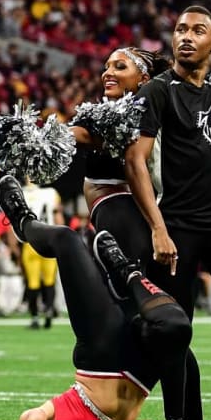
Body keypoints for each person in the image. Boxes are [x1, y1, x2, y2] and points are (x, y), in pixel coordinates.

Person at [0, 175, 191, 420]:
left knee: (67, 240)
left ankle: (24, 223)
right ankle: (126, 274)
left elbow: (35, 418)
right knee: (177, 329)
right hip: (140, 374)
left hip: (101, 357)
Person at [124, 6, 211, 420]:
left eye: (198, 30)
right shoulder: (158, 90)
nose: (186, 36)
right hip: (178, 230)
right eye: (181, 30)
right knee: (172, 332)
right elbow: (135, 161)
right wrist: (158, 228)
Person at [70, 47, 166, 264]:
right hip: (113, 206)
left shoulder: (163, 112)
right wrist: (43, 138)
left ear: (144, 79)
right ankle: (32, 226)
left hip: (157, 210)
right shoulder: (99, 118)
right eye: (106, 67)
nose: (107, 73)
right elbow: (78, 134)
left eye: (119, 67)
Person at [19, 179, 63, 329]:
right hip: (49, 241)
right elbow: (58, 218)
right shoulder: (51, 193)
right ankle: (49, 310)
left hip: (30, 243)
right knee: (49, 281)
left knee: (32, 282)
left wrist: (14, 248)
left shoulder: (21, 193)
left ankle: (35, 317)